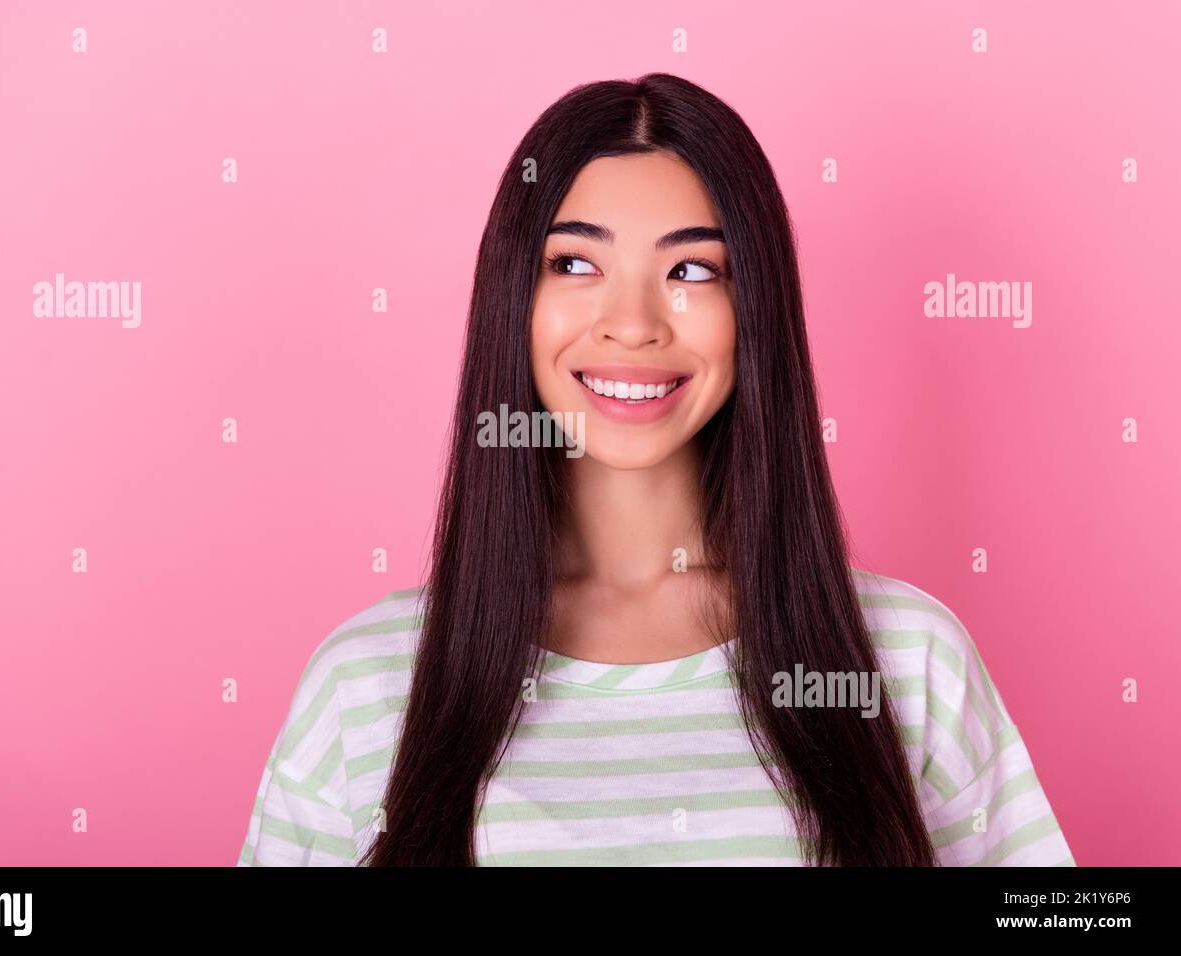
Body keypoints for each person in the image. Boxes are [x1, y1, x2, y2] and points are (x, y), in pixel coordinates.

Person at [237, 73, 1074, 867]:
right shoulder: (367, 683)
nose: (632, 324)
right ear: (511, 300)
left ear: (755, 310)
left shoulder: (906, 661)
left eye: (691, 271)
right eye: (574, 263)